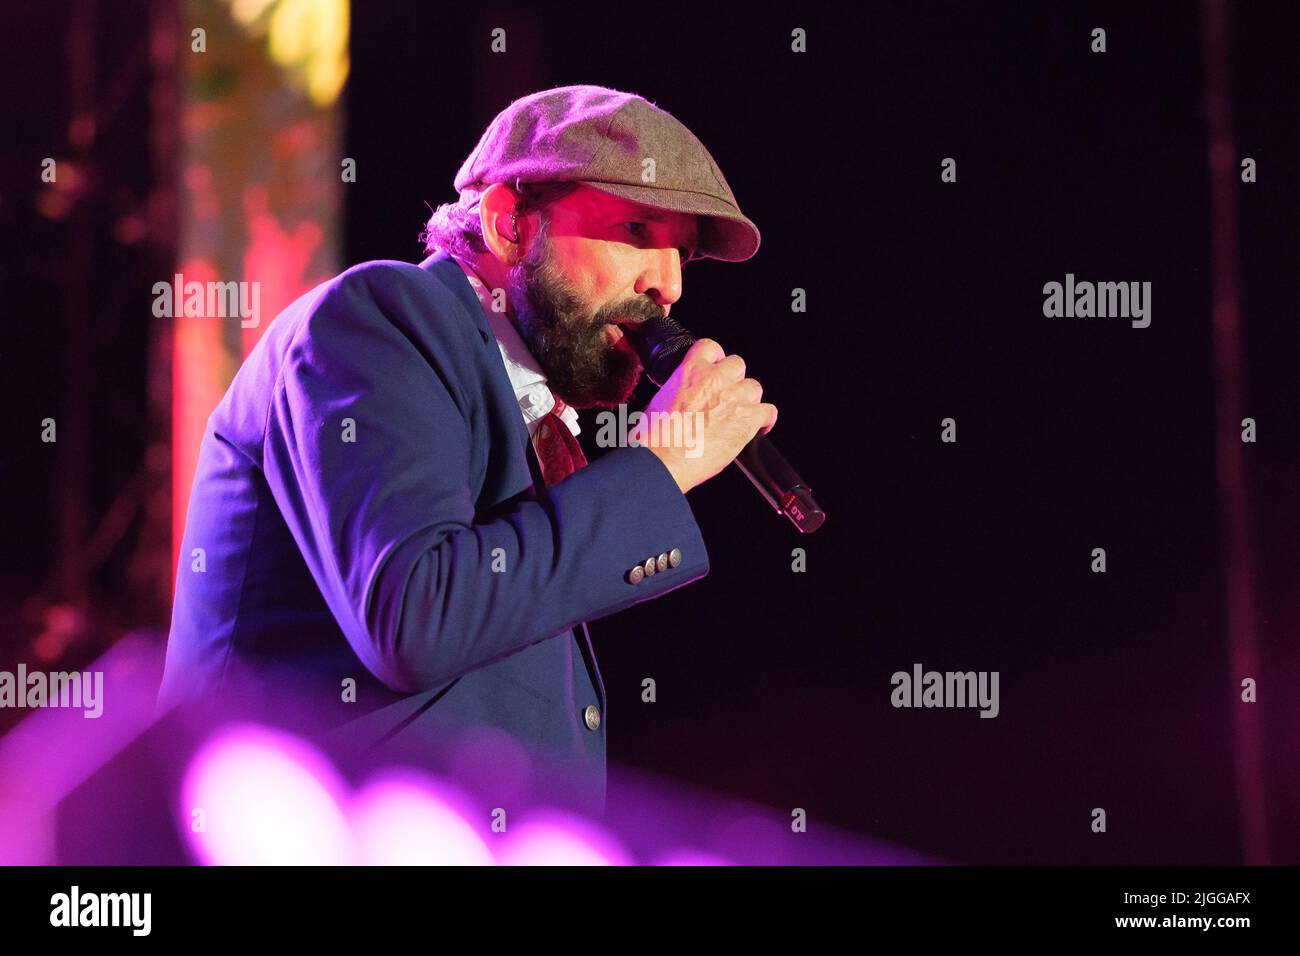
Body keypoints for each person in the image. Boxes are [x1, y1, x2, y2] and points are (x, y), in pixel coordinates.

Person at [156, 84, 776, 821]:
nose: (667, 284)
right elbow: (416, 613)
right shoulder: (380, 322)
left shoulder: (531, 416)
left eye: (684, 253)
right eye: (637, 229)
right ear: (510, 221)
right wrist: (663, 464)